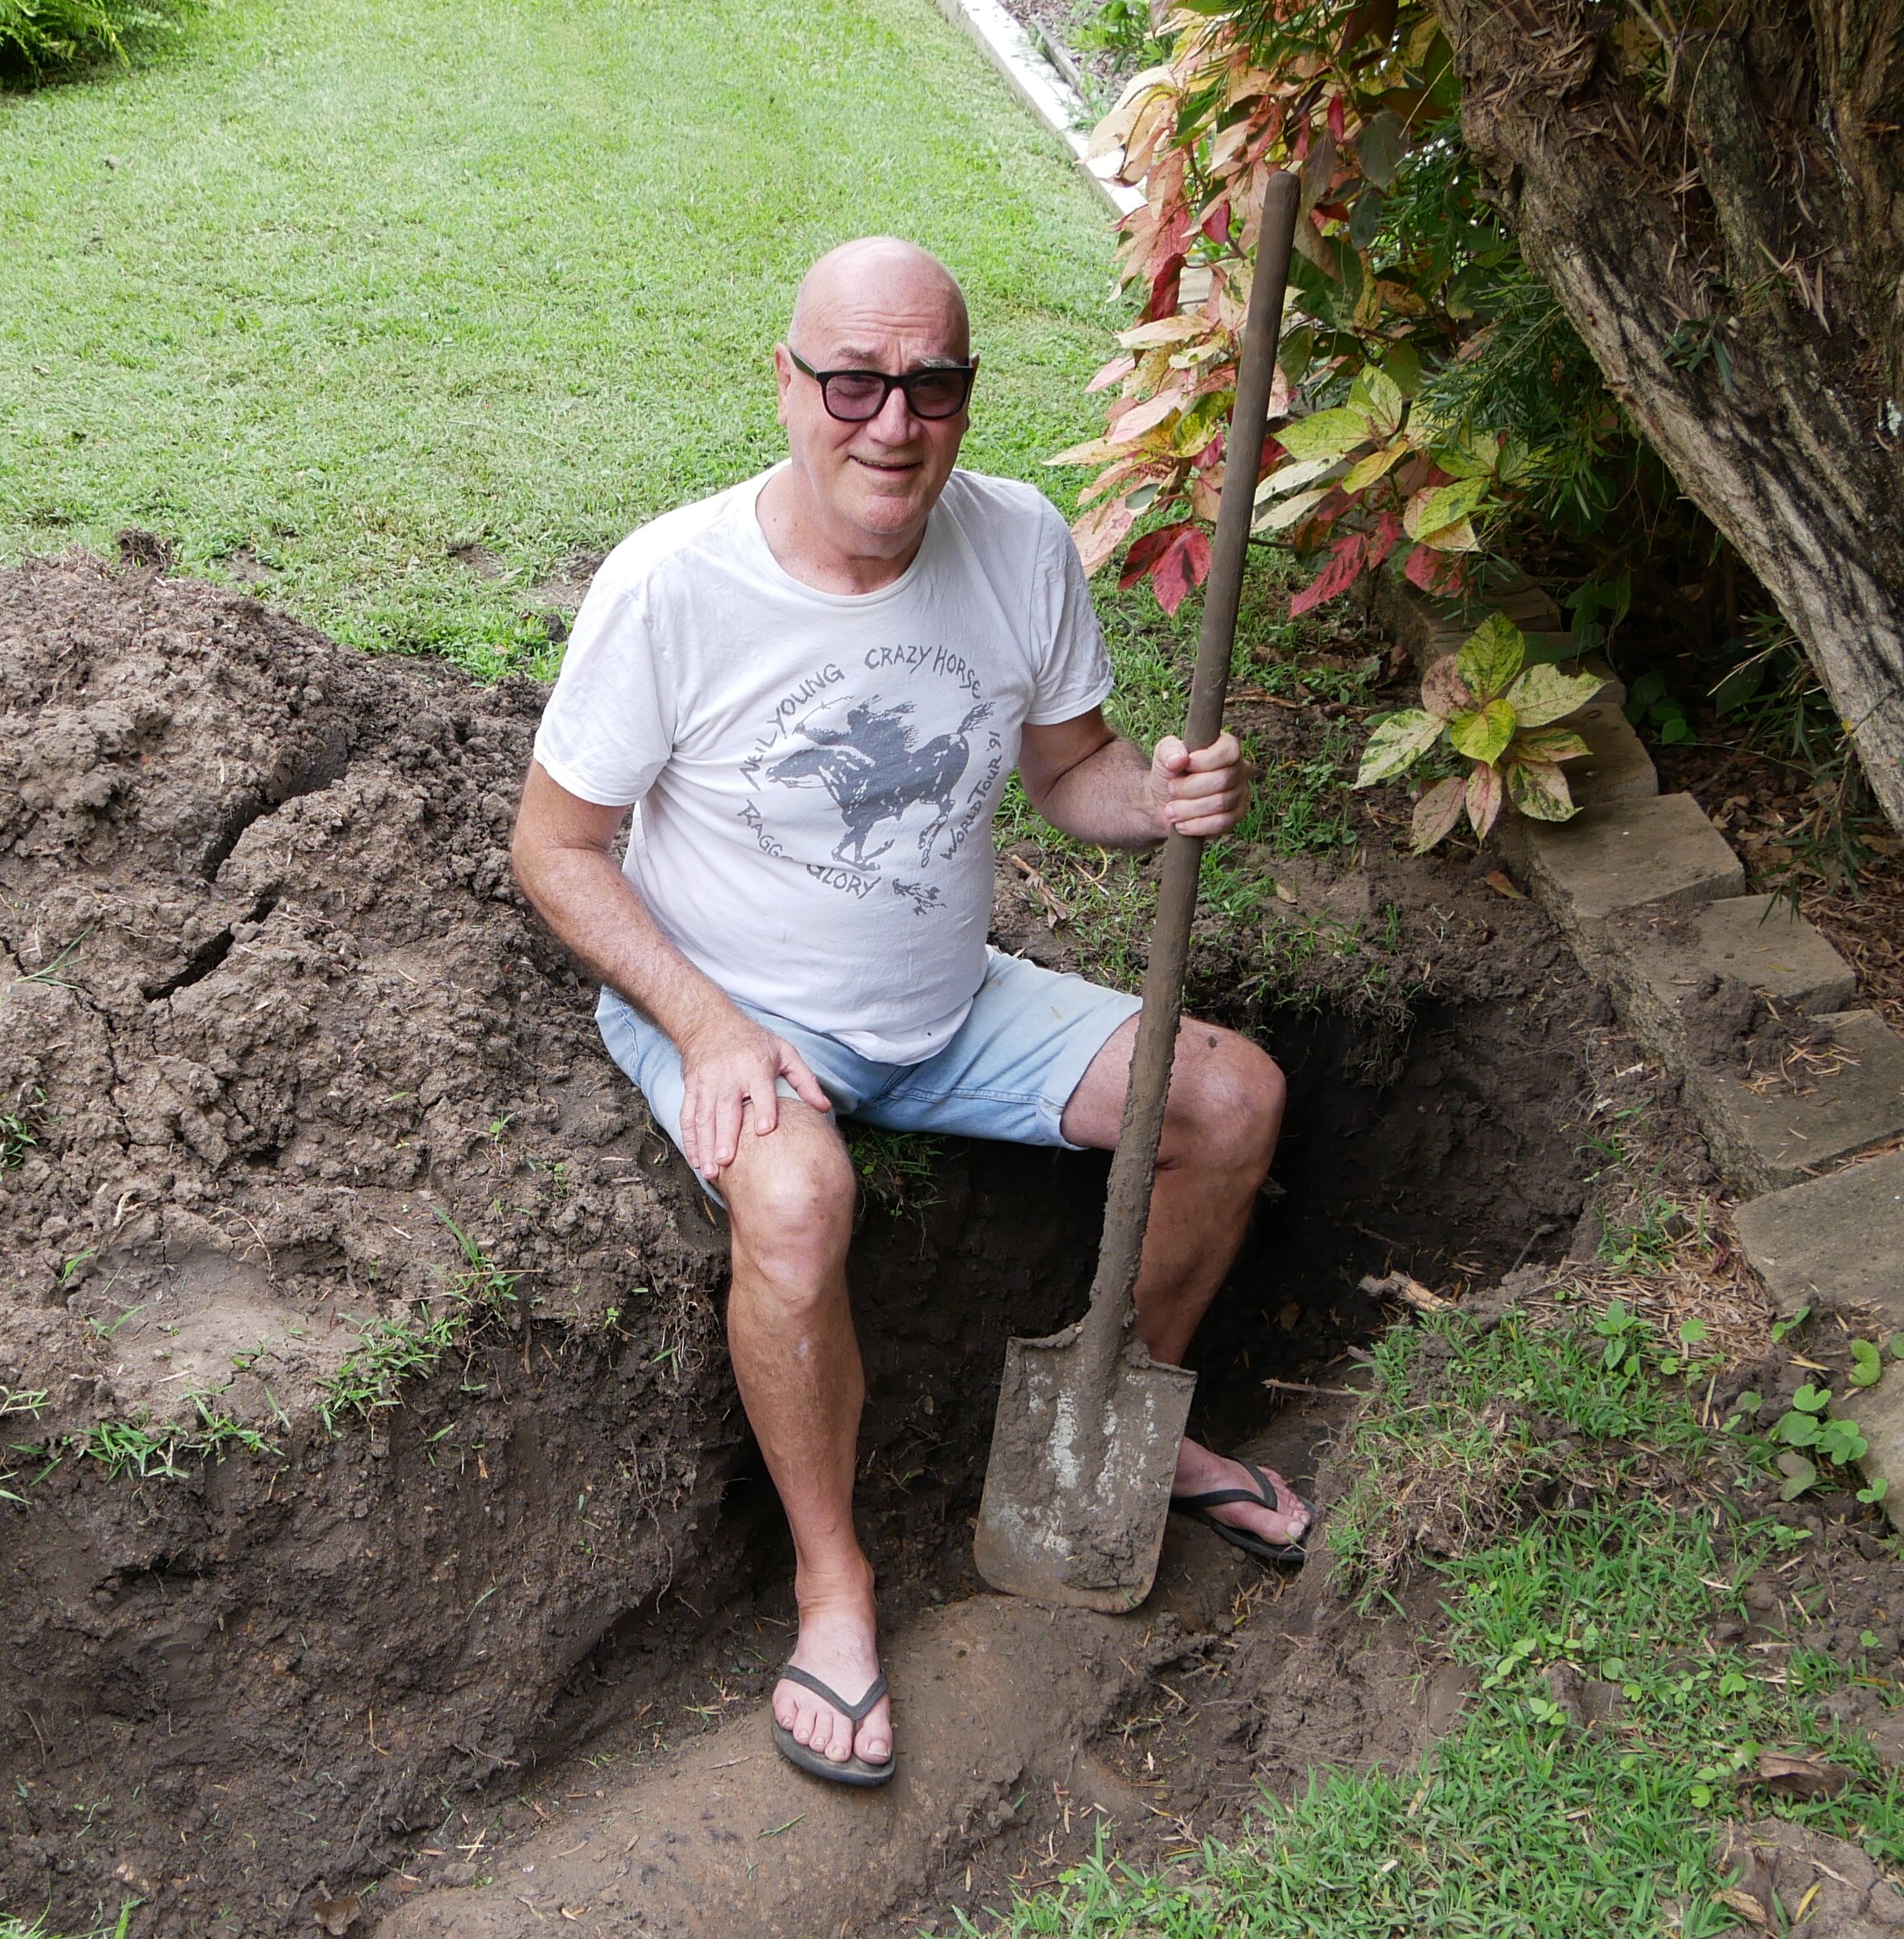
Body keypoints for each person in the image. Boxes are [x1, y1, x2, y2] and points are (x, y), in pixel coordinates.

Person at [509, 236, 1308, 1790]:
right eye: (855, 382)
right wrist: (713, 1028)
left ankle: (1118, 1416)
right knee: (802, 1201)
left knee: (1234, 1099)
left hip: (948, 1005)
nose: (893, 422)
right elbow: (556, 847)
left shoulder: (1016, 545)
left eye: (930, 384)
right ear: (793, 385)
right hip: (730, 1008)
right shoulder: (676, 585)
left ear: (964, 395)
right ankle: (834, 1584)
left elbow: (1073, 777)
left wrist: (1162, 792)